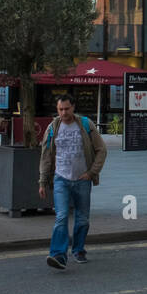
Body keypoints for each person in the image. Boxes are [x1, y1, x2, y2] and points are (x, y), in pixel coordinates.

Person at [39, 94, 107, 269]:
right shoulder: (53, 127)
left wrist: (92, 172)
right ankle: (58, 255)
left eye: (67, 109)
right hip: (61, 178)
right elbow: (46, 156)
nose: (63, 112)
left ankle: (78, 249)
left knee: (82, 219)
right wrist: (42, 181)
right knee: (61, 217)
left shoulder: (85, 124)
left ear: (73, 107)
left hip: (82, 179)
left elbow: (101, 150)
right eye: (60, 109)